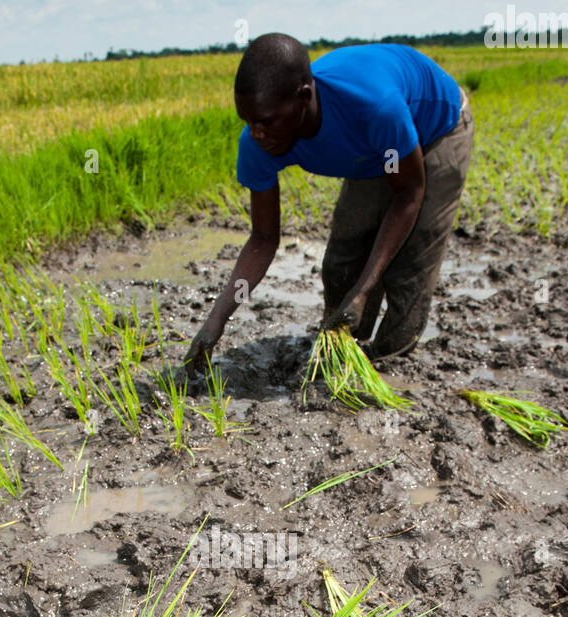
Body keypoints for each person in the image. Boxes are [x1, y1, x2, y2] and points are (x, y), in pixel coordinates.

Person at [184, 32, 474, 372]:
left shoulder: (372, 109)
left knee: (408, 265)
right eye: (248, 122)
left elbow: (408, 194)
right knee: (343, 259)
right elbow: (263, 240)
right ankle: (342, 340)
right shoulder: (257, 142)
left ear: (303, 97)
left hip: (435, 127)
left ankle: (392, 363)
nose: (256, 133)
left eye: (265, 121)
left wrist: (364, 290)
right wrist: (215, 322)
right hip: (377, 148)